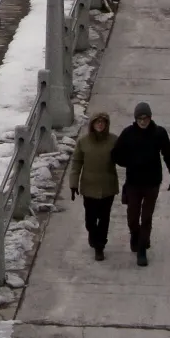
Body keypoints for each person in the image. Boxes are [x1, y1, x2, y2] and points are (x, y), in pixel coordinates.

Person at [111, 102, 170, 266]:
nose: (143, 121)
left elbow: (168, 155)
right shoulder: (128, 133)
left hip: (152, 183)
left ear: (150, 117)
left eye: (146, 118)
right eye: (140, 118)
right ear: (135, 119)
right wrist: (129, 162)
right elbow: (115, 154)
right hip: (134, 183)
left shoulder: (159, 133)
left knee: (147, 217)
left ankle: (142, 249)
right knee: (132, 218)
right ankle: (135, 235)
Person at [68, 111, 119, 261]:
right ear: (92, 124)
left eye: (103, 122)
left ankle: (99, 246)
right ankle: (93, 234)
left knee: (104, 218)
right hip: (89, 187)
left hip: (108, 187)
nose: (100, 125)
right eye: (97, 122)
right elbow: (76, 163)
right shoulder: (83, 142)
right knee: (90, 219)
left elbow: (124, 157)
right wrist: (73, 183)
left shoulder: (114, 141)